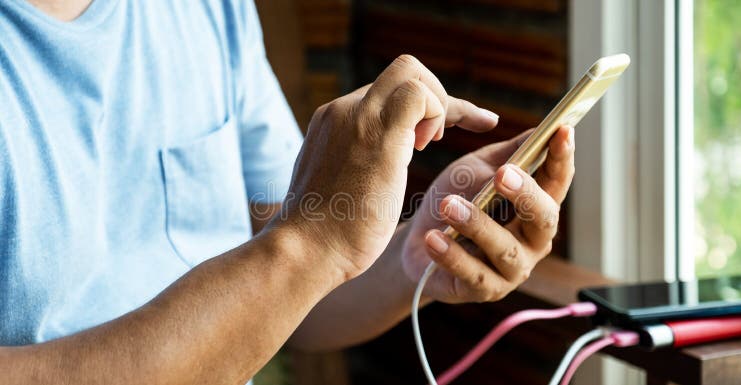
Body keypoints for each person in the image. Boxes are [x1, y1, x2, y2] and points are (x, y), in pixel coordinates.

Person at [0, 0, 575, 383]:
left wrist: (423, 249)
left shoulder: (207, 11)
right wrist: (310, 243)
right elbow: (295, 258)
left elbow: (292, 302)